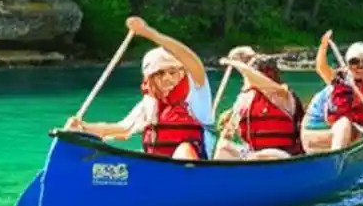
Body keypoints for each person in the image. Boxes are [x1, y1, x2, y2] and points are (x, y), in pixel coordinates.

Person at [64, 17, 214, 160]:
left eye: (173, 72)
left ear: (182, 73)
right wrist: (82, 127)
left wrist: (149, 33)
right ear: (149, 79)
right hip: (158, 166)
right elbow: (122, 129)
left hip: (192, 166)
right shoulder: (150, 104)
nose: (167, 78)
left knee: (184, 150)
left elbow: (189, 58)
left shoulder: (197, 93)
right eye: (159, 73)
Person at [213, 54, 304, 160]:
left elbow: (264, 83)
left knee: (266, 155)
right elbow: (228, 133)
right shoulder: (244, 98)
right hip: (251, 154)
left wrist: (237, 64)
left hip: (281, 155)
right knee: (223, 148)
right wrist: (227, 130)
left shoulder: (282, 95)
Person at [314, 31, 363, 150]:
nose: (360, 67)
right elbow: (321, 68)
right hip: (342, 127)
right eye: (354, 62)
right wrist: (323, 45)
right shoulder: (340, 79)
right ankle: (337, 157)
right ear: (348, 65)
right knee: (344, 123)